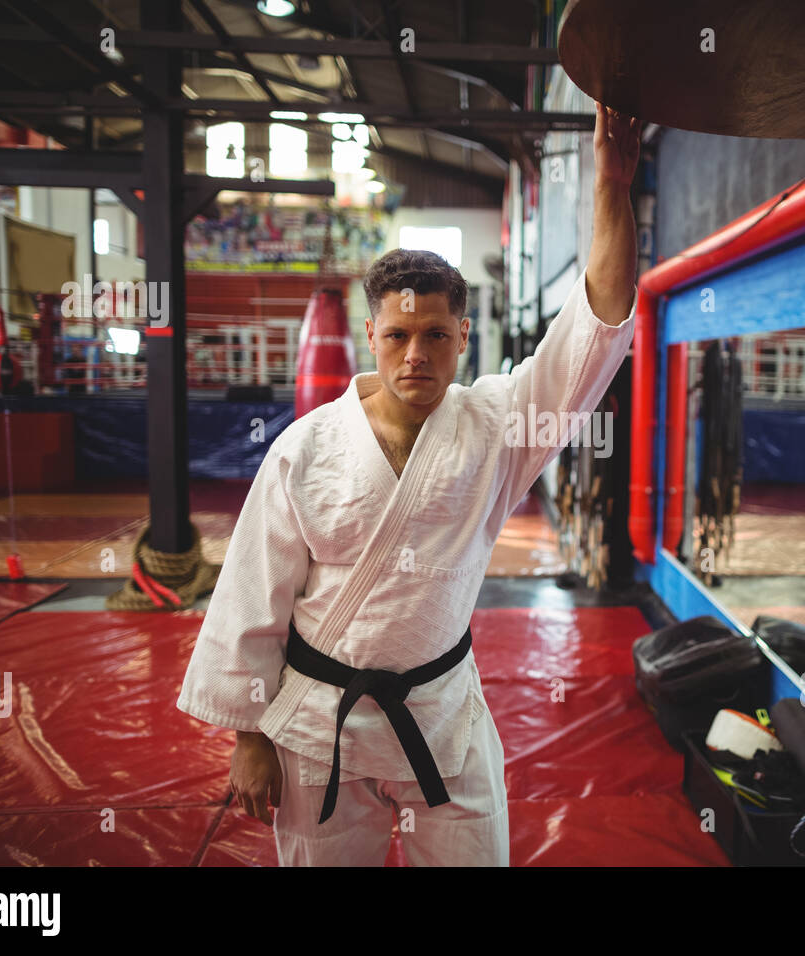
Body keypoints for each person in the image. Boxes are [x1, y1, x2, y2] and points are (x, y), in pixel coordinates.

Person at [176, 103, 642, 866]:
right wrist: (248, 737)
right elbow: (252, 598)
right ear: (371, 337)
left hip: (440, 714)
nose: (415, 354)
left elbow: (593, 334)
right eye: (397, 335)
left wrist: (612, 187)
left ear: (464, 335)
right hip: (317, 726)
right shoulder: (308, 448)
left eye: (434, 334)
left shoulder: (496, 427)